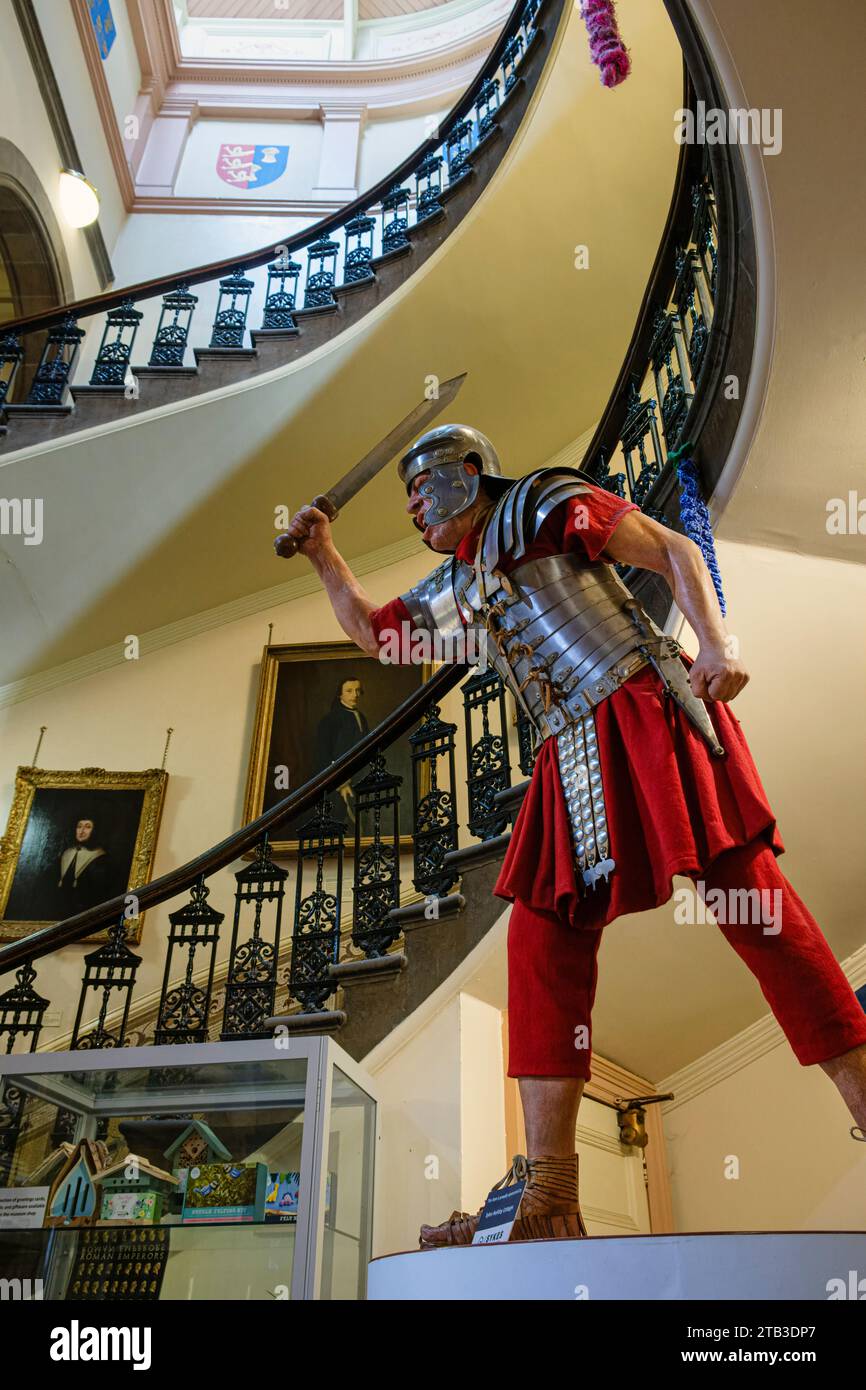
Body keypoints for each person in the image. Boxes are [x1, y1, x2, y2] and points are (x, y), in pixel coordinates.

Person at [276, 424, 866, 1247]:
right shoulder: (459, 582)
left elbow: (669, 551)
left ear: (471, 472)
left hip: (640, 703)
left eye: (423, 484)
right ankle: (550, 1195)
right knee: (541, 942)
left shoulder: (543, 502)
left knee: (751, 903)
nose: (413, 505)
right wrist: (322, 555)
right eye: (404, 493)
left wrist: (718, 646)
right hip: (568, 745)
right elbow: (378, 636)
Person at [313, 676, 369, 826]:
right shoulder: (330, 720)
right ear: (340, 694)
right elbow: (323, 754)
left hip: (359, 778)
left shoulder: (361, 717)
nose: (355, 695)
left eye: (357, 690)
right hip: (338, 783)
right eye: (349, 691)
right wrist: (341, 782)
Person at [55, 815, 110, 916]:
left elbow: (98, 891)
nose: (82, 831)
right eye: (79, 826)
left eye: (88, 827)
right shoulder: (67, 853)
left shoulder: (100, 857)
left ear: (94, 831)